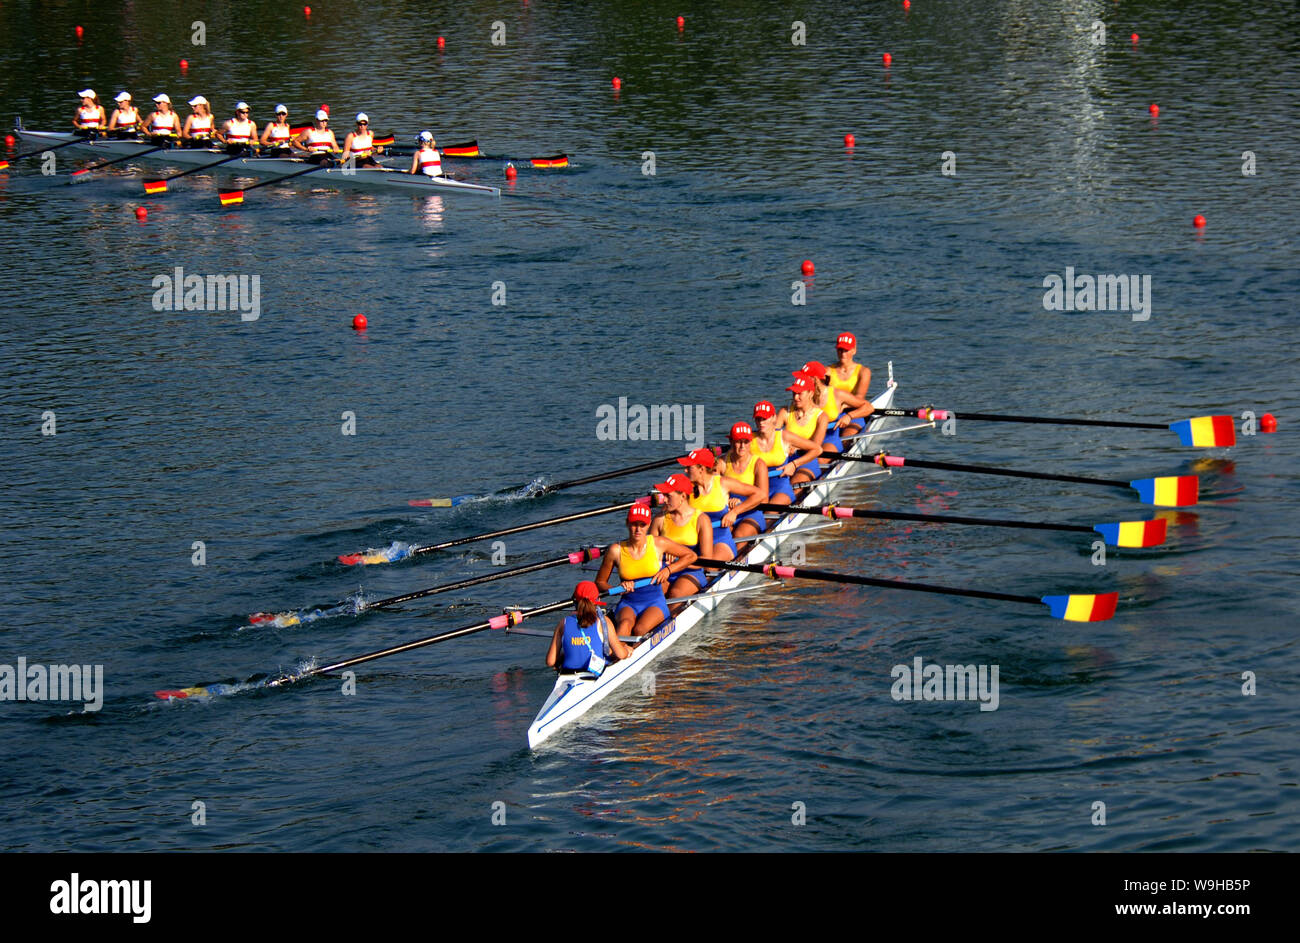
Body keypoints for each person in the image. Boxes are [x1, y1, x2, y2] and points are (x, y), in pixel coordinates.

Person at [593, 504, 696, 637]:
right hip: (628, 602)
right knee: (624, 625)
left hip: (655, 601)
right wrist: (617, 589)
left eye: (642, 525)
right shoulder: (615, 551)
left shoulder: (659, 544)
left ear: (648, 525)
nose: (638, 529)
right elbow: (600, 582)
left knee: (640, 630)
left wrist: (668, 570)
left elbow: (691, 556)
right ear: (627, 524)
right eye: (634, 524)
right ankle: (617, 655)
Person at [651, 473, 719, 605]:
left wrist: (678, 561)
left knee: (676, 594)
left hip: (692, 570)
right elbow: (649, 551)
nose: (663, 500)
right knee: (654, 592)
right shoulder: (659, 519)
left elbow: (707, 561)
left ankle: (671, 620)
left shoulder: (701, 520)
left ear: (682, 496)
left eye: (668, 496)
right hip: (664, 569)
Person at [545, 581, 632, 676]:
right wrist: (626, 650)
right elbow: (621, 654)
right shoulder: (604, 621)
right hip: (595, 675)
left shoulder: (563, 622)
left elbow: (550, 661)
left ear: (574, 601)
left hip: (567, 674)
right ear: (598, 599)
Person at [751, 398, 822, 506]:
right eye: (758, 419)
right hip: (756, 490)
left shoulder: (784, 436)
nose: (761, 422)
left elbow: (817, 449)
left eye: (765, 418)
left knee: (769, 516)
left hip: (780, 489)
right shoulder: (749, 439)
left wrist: (794, 464)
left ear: (774, 417)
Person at [676, 449, 738, 562]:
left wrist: (735, 512)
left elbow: (759, 494)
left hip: (719, 541)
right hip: (694, 543)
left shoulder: (722, 483)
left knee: (707, 566)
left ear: (701, 469)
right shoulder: (686, 490)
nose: (685, 470)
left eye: (689, 467)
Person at [718, 421, 769, 541]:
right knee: (720, 536)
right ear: (731, 442)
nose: (742, 446)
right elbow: (712, 492)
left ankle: (740, 559)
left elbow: (764, 500)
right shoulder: (722, 463)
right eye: (738, 442)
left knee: (739, 535)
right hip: (727, 511)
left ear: (750, 442)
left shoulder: (758, 464)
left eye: (746, 442)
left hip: (751, 512)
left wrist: (738, 507)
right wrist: (727, 502)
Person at [829, 332, 872, 434]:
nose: (843, 354)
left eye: (846, 350)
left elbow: (859, 398)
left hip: (855, 413)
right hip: (832, 413)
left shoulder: (863, 372)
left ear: (854, 350)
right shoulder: (828, 371)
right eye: (840, 350)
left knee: (846, 438)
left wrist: (842, 405)